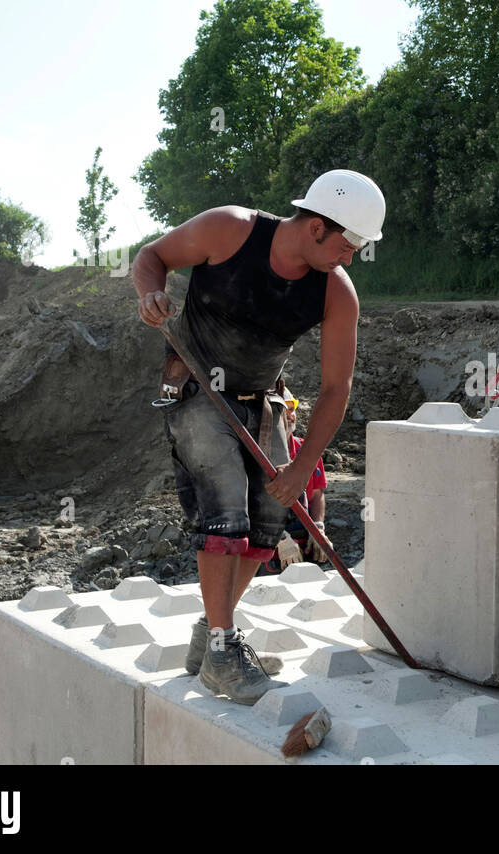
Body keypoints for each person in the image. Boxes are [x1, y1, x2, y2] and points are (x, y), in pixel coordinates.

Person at [133, 169, 384, 704]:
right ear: (317, 226)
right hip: (197, 390)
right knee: (225, 513)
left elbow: (337, 388)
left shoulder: (336, 292)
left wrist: (302, 465)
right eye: (350, 242)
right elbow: (150, 256)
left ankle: (208, 639)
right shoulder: (230, 230)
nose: (353, 255)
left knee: (267, 528)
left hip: (262, 405)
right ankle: (225, 649)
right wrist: (151, 292)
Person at [260, 387, 328, 575]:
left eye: (292, 408)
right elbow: (250, 505)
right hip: (266, 547)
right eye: (284, 409)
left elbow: (316, 496)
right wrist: (279, 539)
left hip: (302, 546)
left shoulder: (307, 451)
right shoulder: (257, 454)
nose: (290, 415)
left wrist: (318, 528)